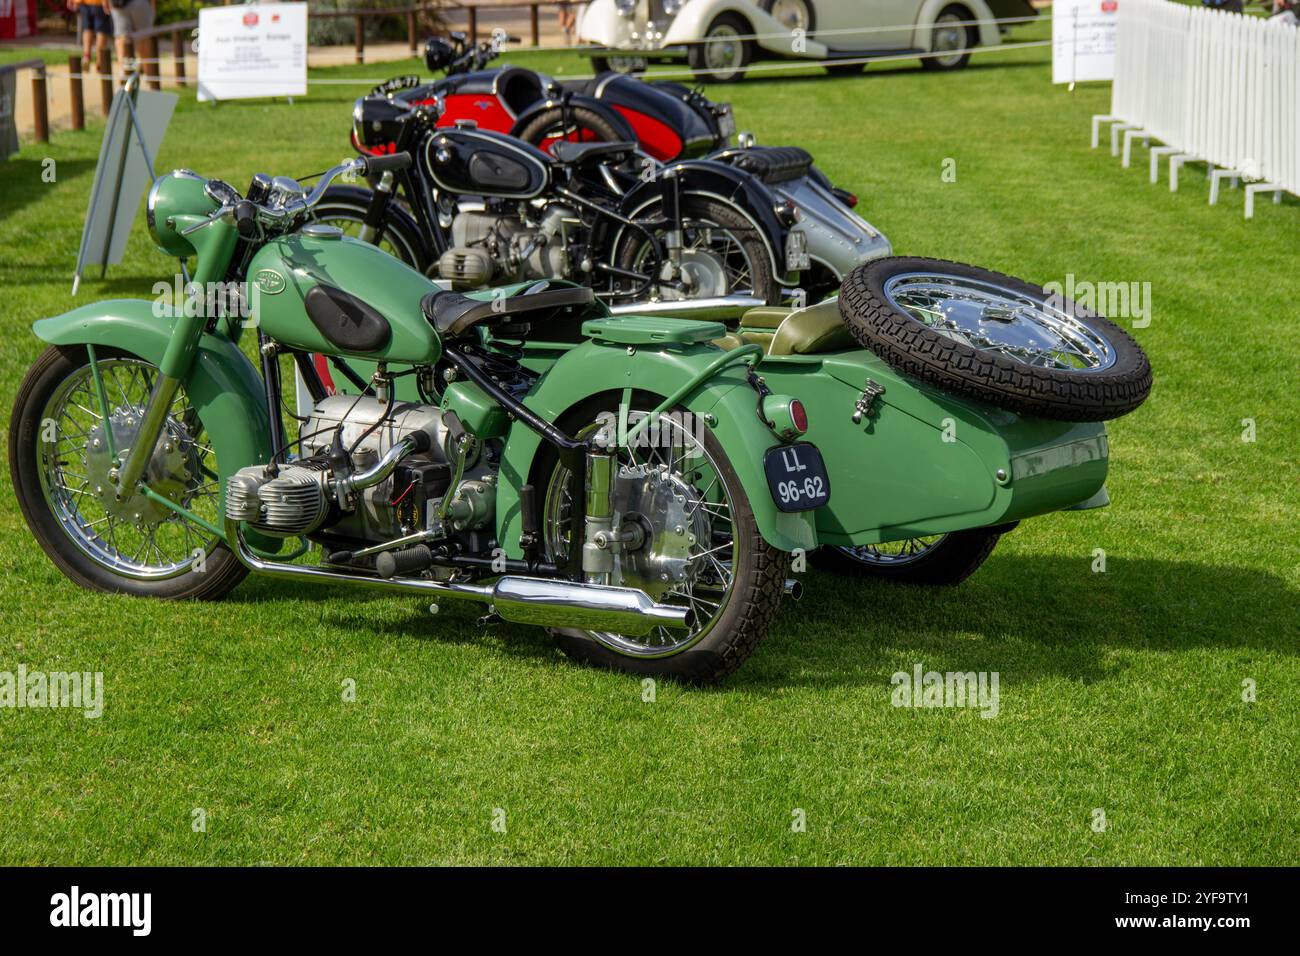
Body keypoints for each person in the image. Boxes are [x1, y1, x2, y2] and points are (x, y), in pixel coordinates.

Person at [107, 0, 155, 78]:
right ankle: (147, 72)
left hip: (118, 4)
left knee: (121, 37)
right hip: (138, 3)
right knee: (143, 37)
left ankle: (123, 71)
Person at [69, 0, 113, 74]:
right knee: (101, 31)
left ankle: (86, 57)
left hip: (84, 3)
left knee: (87, 29)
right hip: (99, 3)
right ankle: (100, 61)